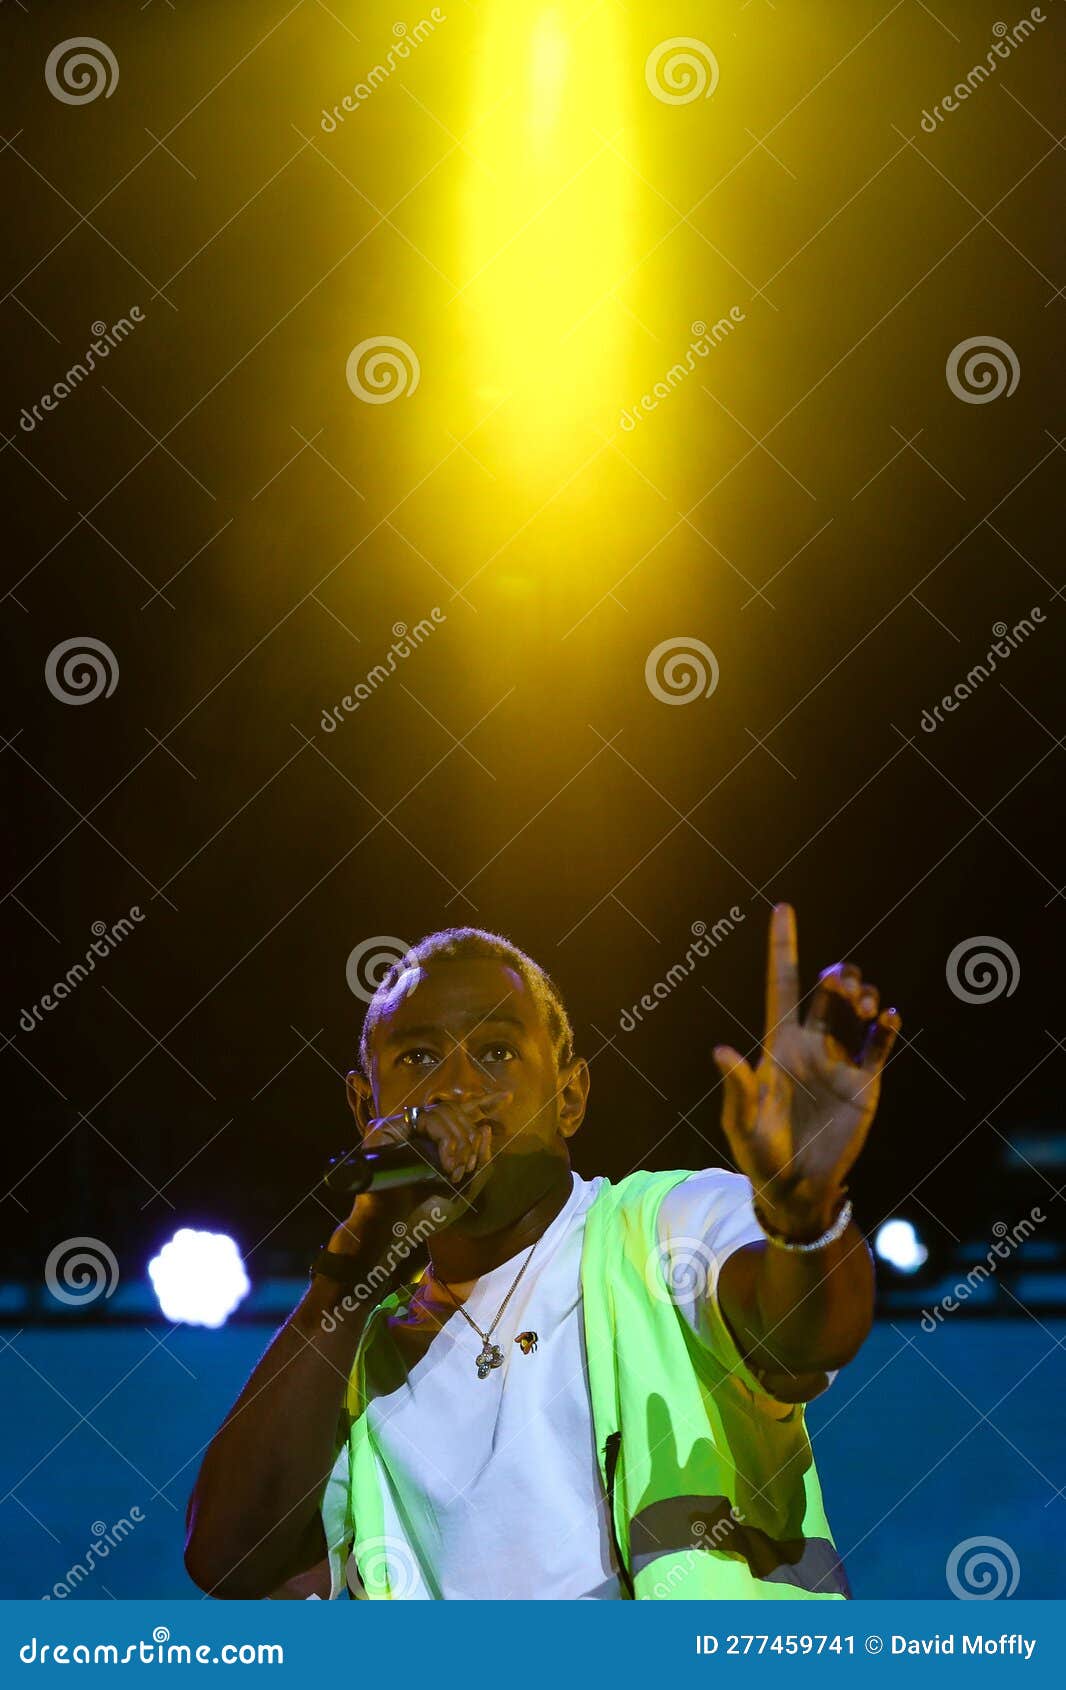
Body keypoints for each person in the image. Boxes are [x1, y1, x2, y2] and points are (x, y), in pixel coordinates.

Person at [184, 902, 900, 1600]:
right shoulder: (353, 1353)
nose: (458, 1084)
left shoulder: (664, 1222)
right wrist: (353, 1263)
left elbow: (811, 1339)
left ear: (570, 1096)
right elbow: (231, 1560)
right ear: (365, 1107)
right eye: (418, 1056)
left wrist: (806, 1218)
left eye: (497, 1052)